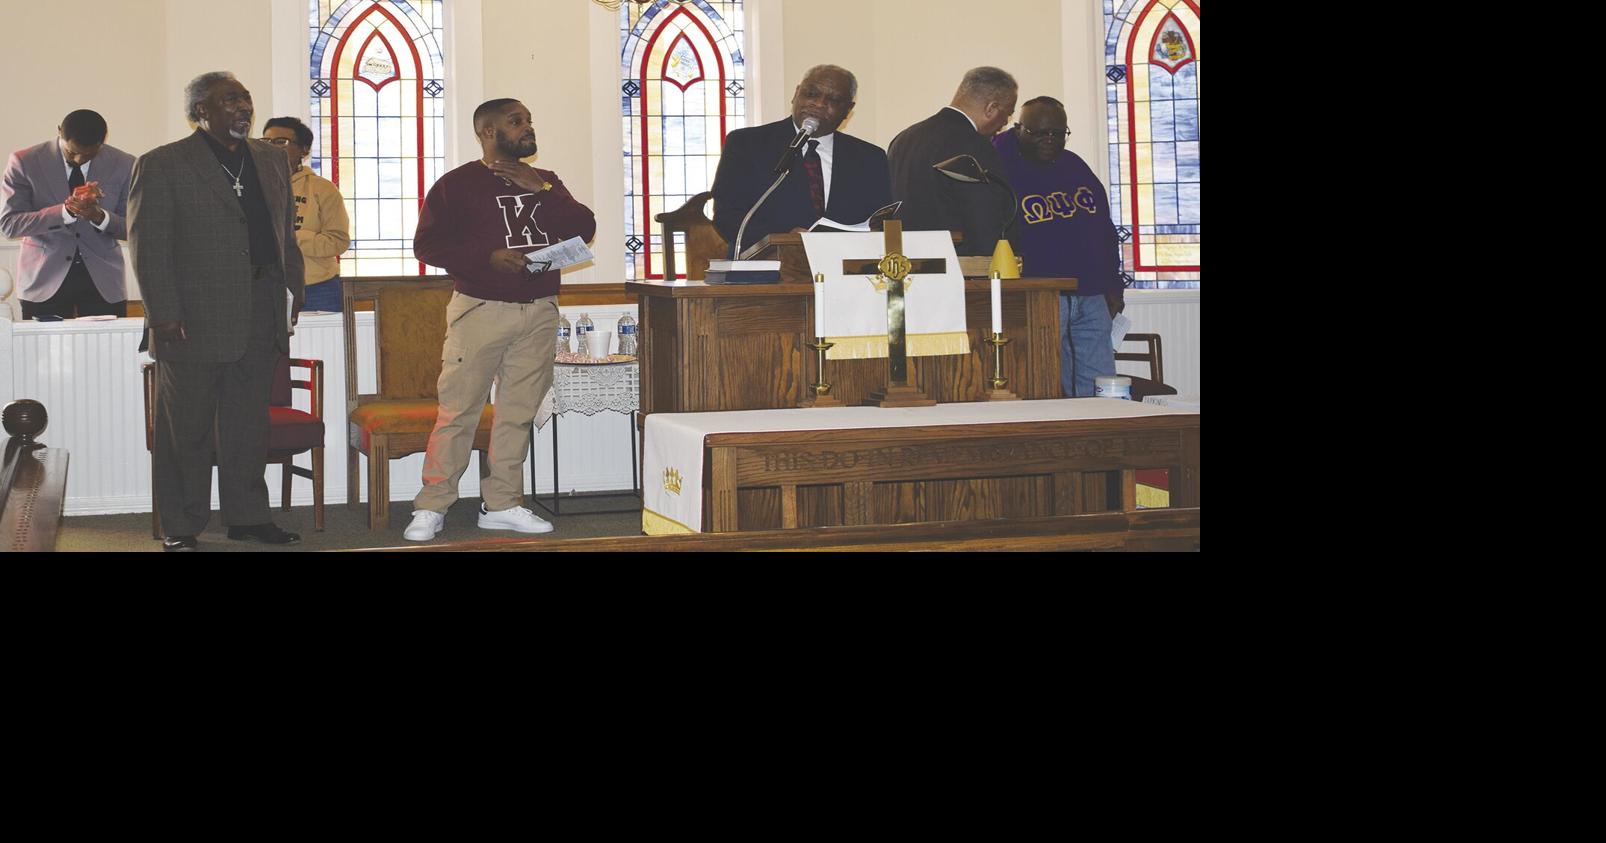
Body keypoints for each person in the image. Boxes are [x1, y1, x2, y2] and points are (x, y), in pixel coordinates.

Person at [402, 98, 596, 542]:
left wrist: (541, 190)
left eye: (528, 119)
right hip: (481, 309)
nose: (528, 127)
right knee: (458, 412)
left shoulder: (545, 181)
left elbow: (585, 227)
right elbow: (427, 246)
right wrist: (486, 258)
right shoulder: (457, 184)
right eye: (517, 121)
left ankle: (503, 503)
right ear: (489, 132)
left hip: (540, 309)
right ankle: (432, 506)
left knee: (518, 413)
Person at [128, 71, 305, 552]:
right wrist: (163, 313)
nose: (243, 107)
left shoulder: (270, 159)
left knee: (248, 425)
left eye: (245, 98)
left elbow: (282, 231)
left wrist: (292, 290)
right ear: (200, 111)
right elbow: (149, 247)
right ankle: (180, 525)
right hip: (190, 319)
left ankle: (247, 517)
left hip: (260, 311)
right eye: (229, 100)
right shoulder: (163, 164)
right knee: (184, 428)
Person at [993, 96, 1122, 397]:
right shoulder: (1003, 168)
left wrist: (1114, 286)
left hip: (1091, 294)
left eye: (1057, 133)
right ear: (1019, 129)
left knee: (1100, 387)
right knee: (1044, 385)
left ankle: (1100, 441)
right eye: (1039, 132)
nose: (1048, 139)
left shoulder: (1075, 166)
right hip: (1042, 294)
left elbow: (1104, 229)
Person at [710, 64, 891, 256]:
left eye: (833, 99)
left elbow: (880, 223)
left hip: (842, 271)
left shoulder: (870, 158)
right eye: (811, 94)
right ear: (796, 94)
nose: (819, 104)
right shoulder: (747, 145)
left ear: (848, 110)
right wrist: (782, 240)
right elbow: (727, 216)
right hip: (767, 272)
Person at [0, 109, 135, 318]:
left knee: (104, 351)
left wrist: (99, 216)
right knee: (42, 352)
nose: (80, 159)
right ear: (59, 133)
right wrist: (64, 212)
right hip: (43, 280)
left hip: (104, 283)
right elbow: (10, 224)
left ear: (102, 142)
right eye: (72, 153)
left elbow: (134, 228)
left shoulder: (125, 164)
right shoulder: (24, 161)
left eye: (89, 154)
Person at [887, 66, 1019, 256]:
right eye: (1007, 114)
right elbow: (984, 218)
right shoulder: (976, 146)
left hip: (907, 264)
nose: (1005, 124)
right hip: (960, 268)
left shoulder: (904, 139)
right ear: (991, 108)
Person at [262, 117, 349, 312]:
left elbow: (339, 241)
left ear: (304, 150)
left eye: (281, 142)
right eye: (266, 142)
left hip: (317, 288)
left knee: (323, 342)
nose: (272, 148)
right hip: (267, 288)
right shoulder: (253, 187)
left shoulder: (322, 189)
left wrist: (293, 238)